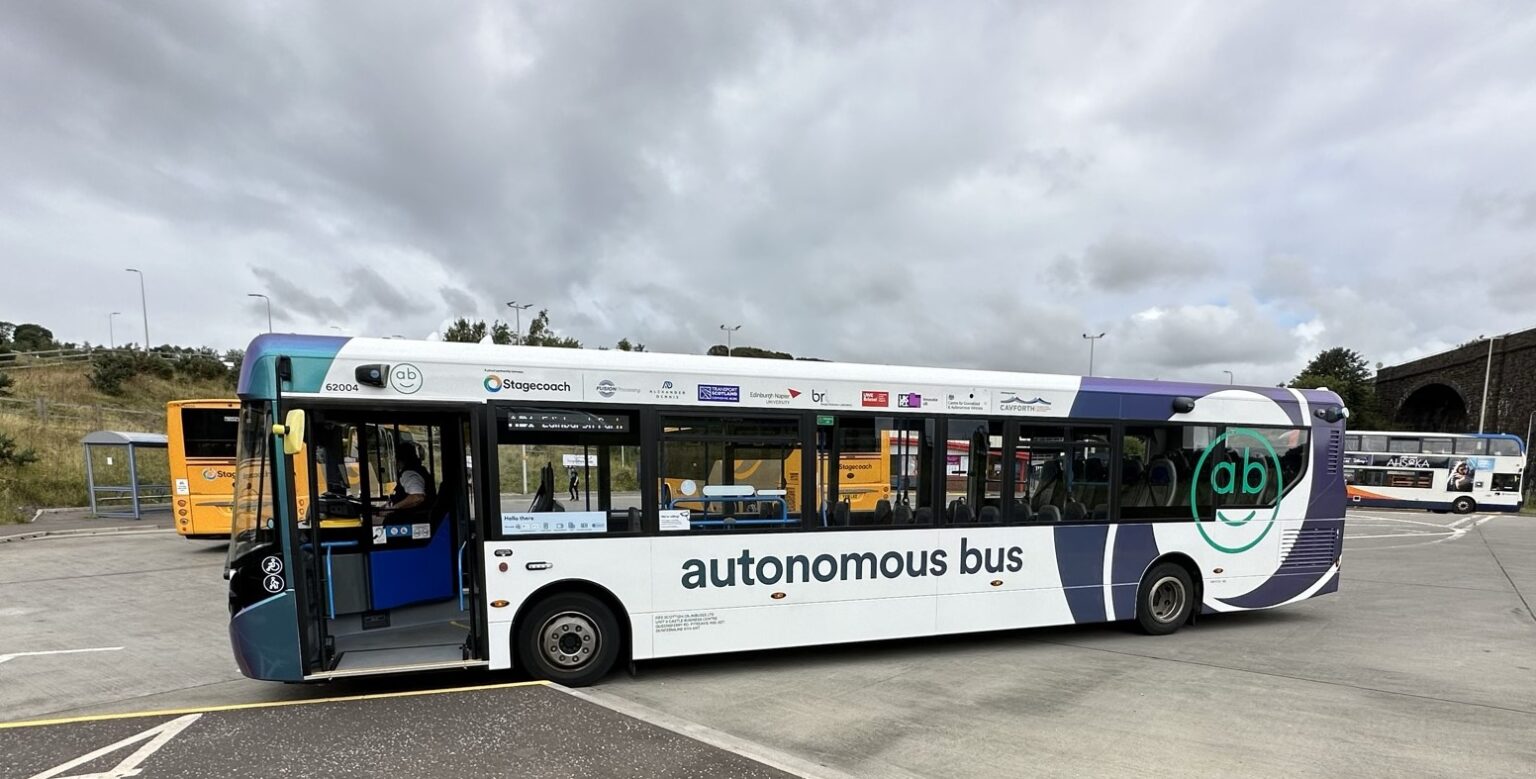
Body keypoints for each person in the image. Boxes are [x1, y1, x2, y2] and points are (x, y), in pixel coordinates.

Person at [382, 442, 435, 521]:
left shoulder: (410, 474)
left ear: (399, 459)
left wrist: (393, 509)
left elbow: (417, 497)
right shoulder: (418, 470)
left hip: (411, 520)